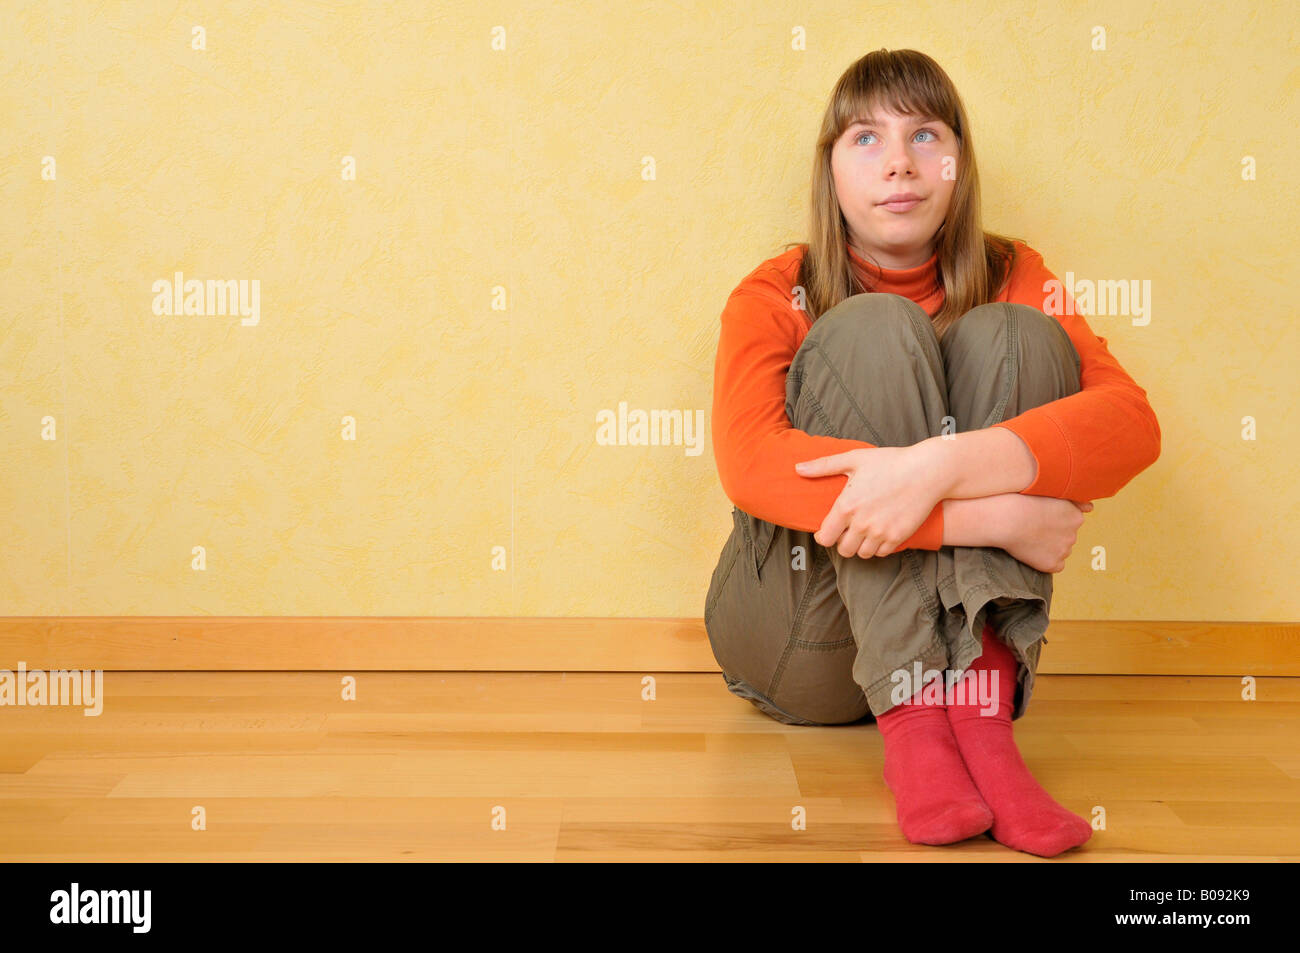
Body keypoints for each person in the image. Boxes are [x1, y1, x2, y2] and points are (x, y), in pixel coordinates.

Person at [704, 49, 1161, 857]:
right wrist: (996, 515)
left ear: (958, 163)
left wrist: (933, 470)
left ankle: (983, 731)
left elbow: (1129, 423)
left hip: (957, 652)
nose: (901, 165)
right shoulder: (778, 291)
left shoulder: (1012, 273)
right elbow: (750, 464)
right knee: (876, 330)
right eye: (866, 140)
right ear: (831, 170)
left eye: (926, 136)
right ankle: (914, 729)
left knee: (1018, 336)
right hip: (802, 638)